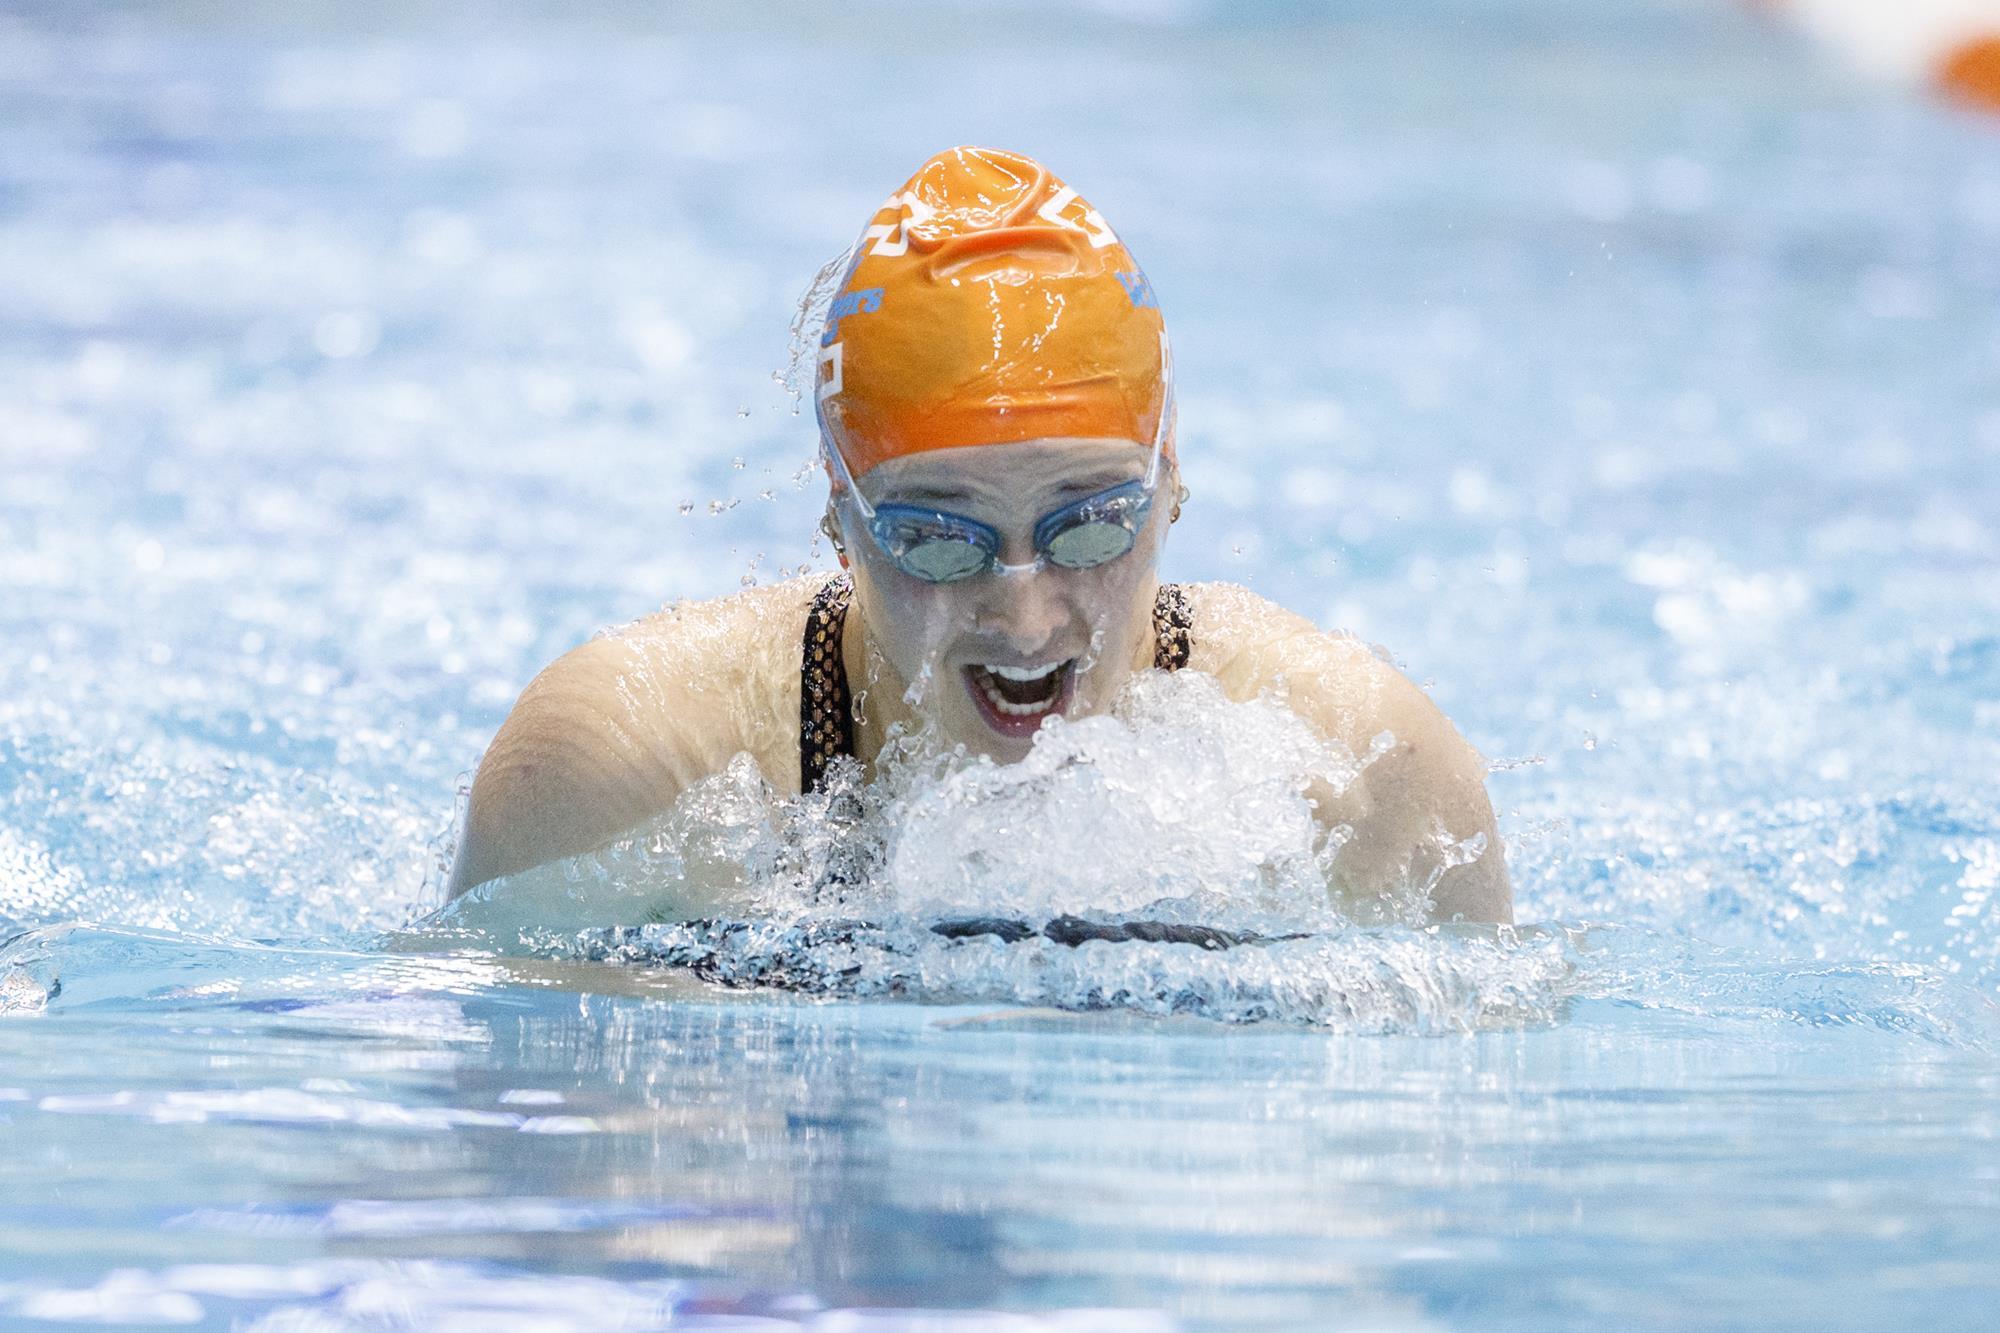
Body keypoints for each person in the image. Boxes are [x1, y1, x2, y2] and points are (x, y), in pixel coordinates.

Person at [447, 146, 1511, 925]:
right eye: (938, 538)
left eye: (1089, 526)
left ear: (1170, 484)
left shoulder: (1370, 781)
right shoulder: (620, 778)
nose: (1025, 617)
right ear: (839, 516)